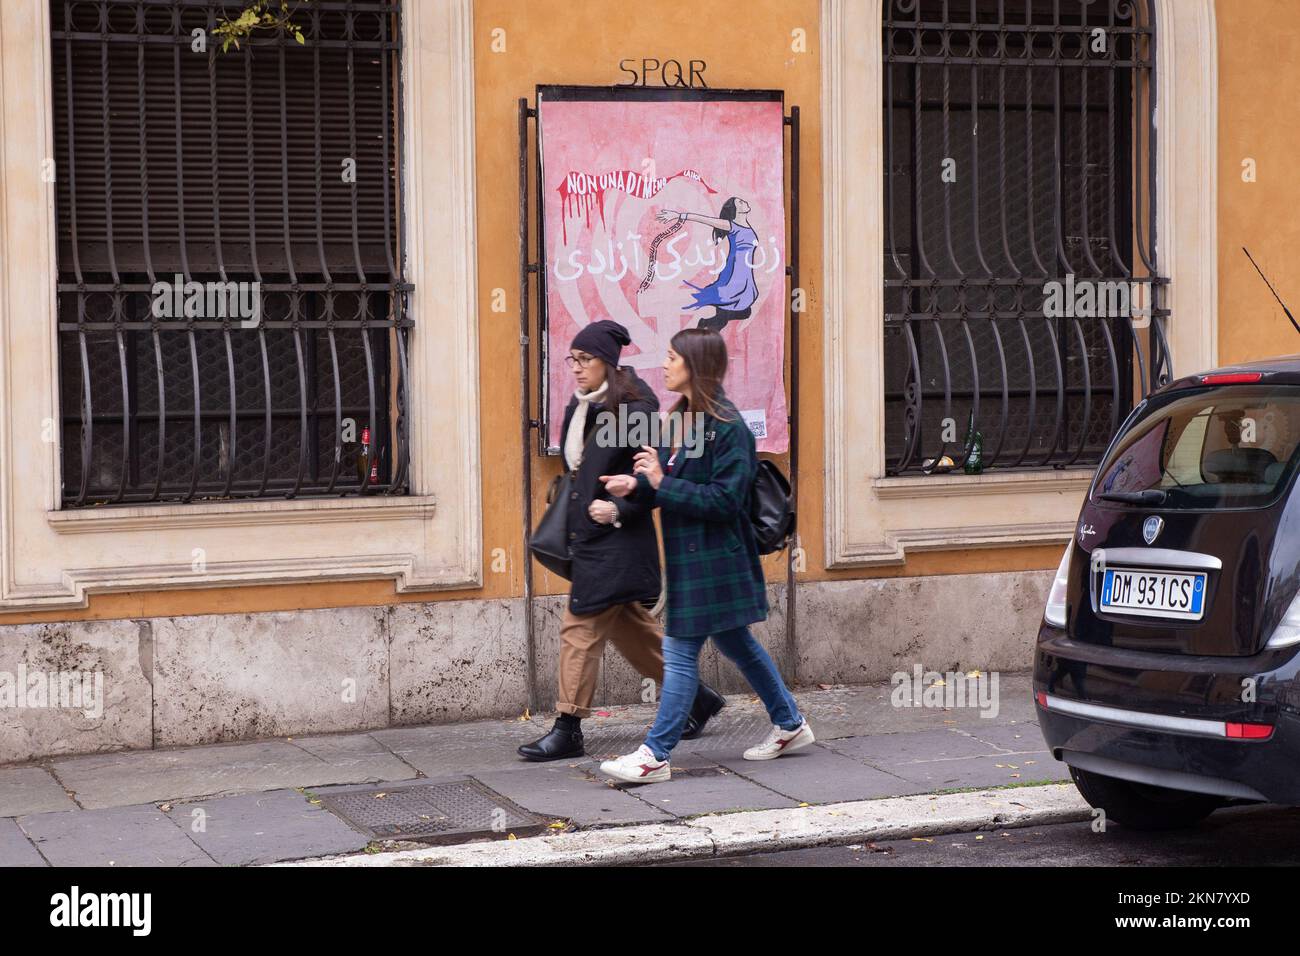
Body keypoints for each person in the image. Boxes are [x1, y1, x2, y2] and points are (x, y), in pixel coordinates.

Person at [596, 328, 812, 783]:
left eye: (673, 357)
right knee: (738, 646)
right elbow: (668, 485)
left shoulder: (729, 428)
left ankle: (654, 755)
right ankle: (790, 723)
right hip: (691, 562)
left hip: (716, 562)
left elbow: (725, 501)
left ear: (696, 366)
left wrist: (660, 482)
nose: (665, 364)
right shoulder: (682, 419)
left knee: (677, 654)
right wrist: (634, 486)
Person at [519, 319, 726, 761]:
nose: (576, 368)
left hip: (616, 540)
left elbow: (649, 480)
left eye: (585, 359)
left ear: (608, 364)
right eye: (572, 359)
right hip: (588, 536)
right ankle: (697, 698)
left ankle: (568, 727)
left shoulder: (634, 412)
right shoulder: (583, 405)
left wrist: (617, 508)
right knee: (632, 632)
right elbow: (577, 469)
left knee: (579, 627)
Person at [656, 197, 759, 332]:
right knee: (722, 320)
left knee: (746, 312)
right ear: (735, 210)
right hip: (733, 276)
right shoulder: (730, 225)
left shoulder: (747, 226)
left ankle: (706, 322)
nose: (744, 202)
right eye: (740, 202)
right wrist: (679, 216)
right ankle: (705, 331)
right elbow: (705, 219)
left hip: (745, 276)